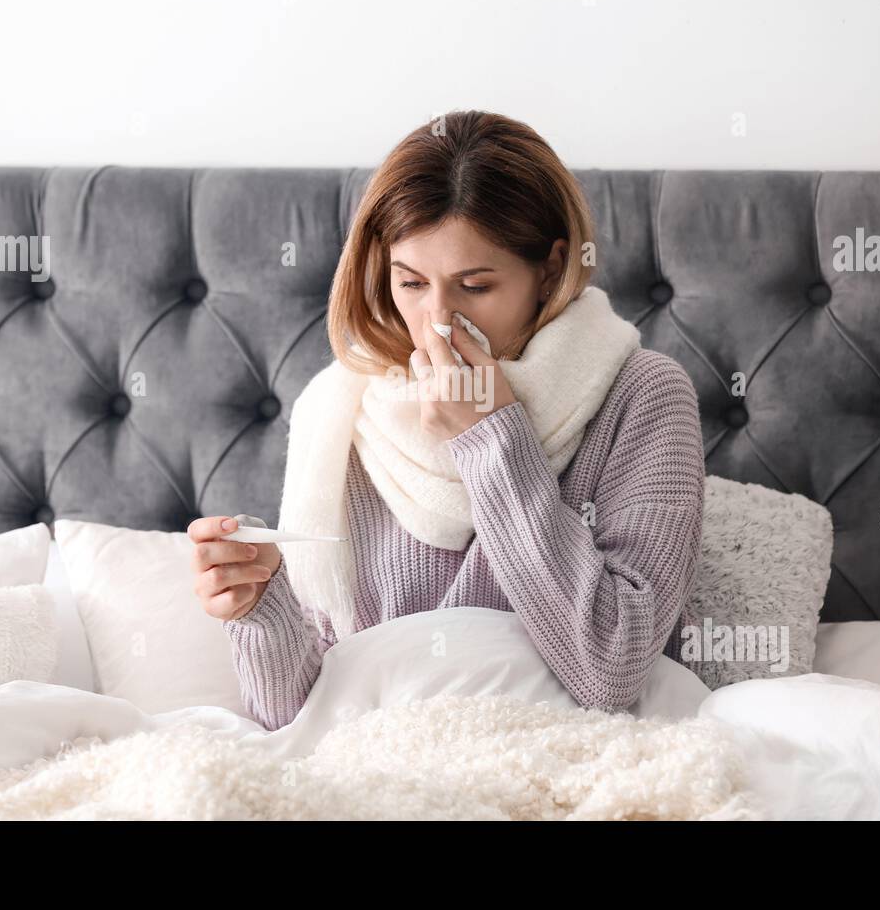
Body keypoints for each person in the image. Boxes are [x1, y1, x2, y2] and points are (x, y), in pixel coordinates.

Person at [188, 110, 704, 731]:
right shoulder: (342, 412)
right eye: (411, 283)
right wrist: (261, 605)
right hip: (378, 773)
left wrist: (492, 441)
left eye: (475, 287)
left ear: (550, 268)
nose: (438, 321)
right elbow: (296, 724)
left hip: (571, 760)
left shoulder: (643, 396)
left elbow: (610, 666)